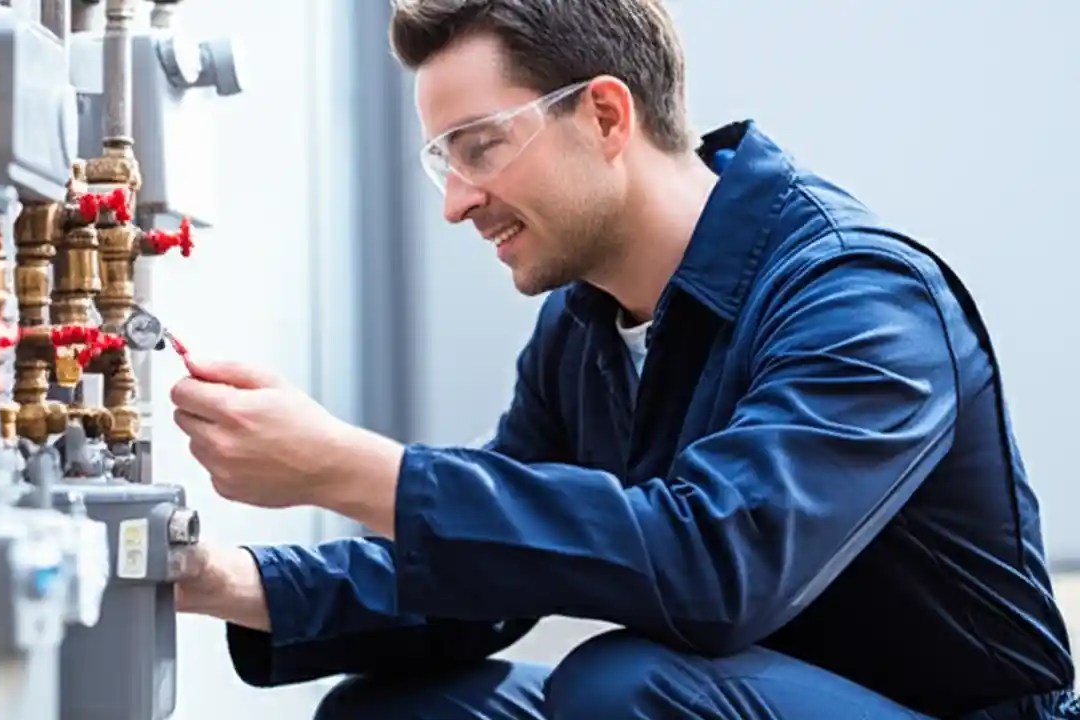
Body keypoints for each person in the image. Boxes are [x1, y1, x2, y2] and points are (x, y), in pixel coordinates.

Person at [168, 1, 1078, 717]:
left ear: (605, 114)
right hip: (734, 694)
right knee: (403, 710)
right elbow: (490, 565)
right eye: (444, 162)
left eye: (480, 147)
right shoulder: (584, 327)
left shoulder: (857, 298)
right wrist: (231, 581)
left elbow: (718, 565)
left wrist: (349, 468)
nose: (456, 202)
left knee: (620, 692)